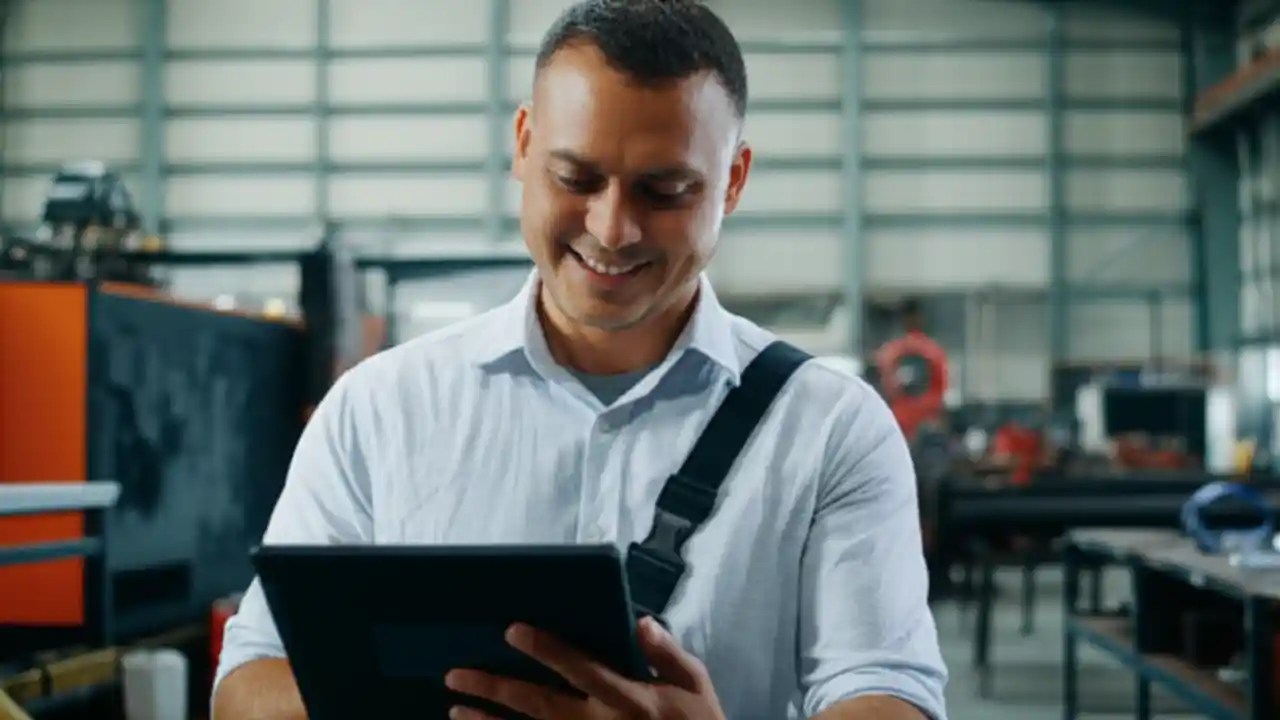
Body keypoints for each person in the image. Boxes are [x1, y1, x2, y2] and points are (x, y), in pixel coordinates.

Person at [211, 2, 948, 718]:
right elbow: (247, 685)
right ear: (523, 144)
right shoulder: (379, 411)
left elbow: (887, 694)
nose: (613, 228)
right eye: (576, 179)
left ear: (732, 180)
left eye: (665, 190)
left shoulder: (830, 431)